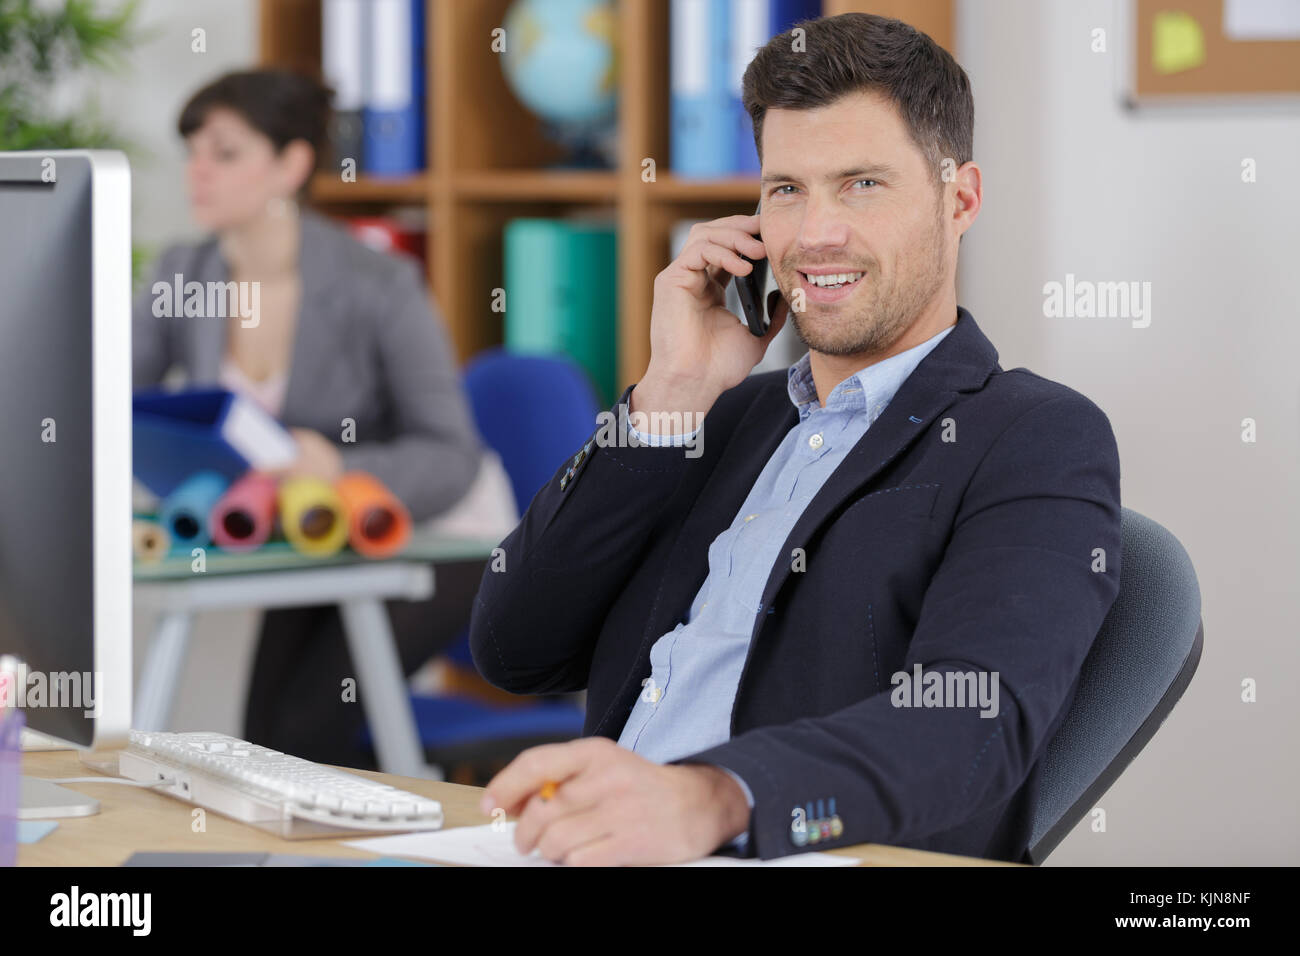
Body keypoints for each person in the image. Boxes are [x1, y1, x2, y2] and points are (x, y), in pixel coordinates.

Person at [468, 12, 1122, 865]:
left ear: (958, 200)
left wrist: (709, 800)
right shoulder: (721, 419)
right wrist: (671, 393)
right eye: (786, 189)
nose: (814, 235)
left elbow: (969, 723)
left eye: (862, 185)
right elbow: (515, 650)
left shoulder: (1035, 436)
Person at [132, 69, 515, 768]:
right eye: (192, 151)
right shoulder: (181, 274)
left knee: (305, 726)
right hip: (314, 535)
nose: (198, 172)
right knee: (260, 741)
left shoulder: (377, 283)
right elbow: (114, 408)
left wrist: (336, 463)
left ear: (293, 163)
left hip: (437, 532)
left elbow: (450, 454)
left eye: (224, 152)